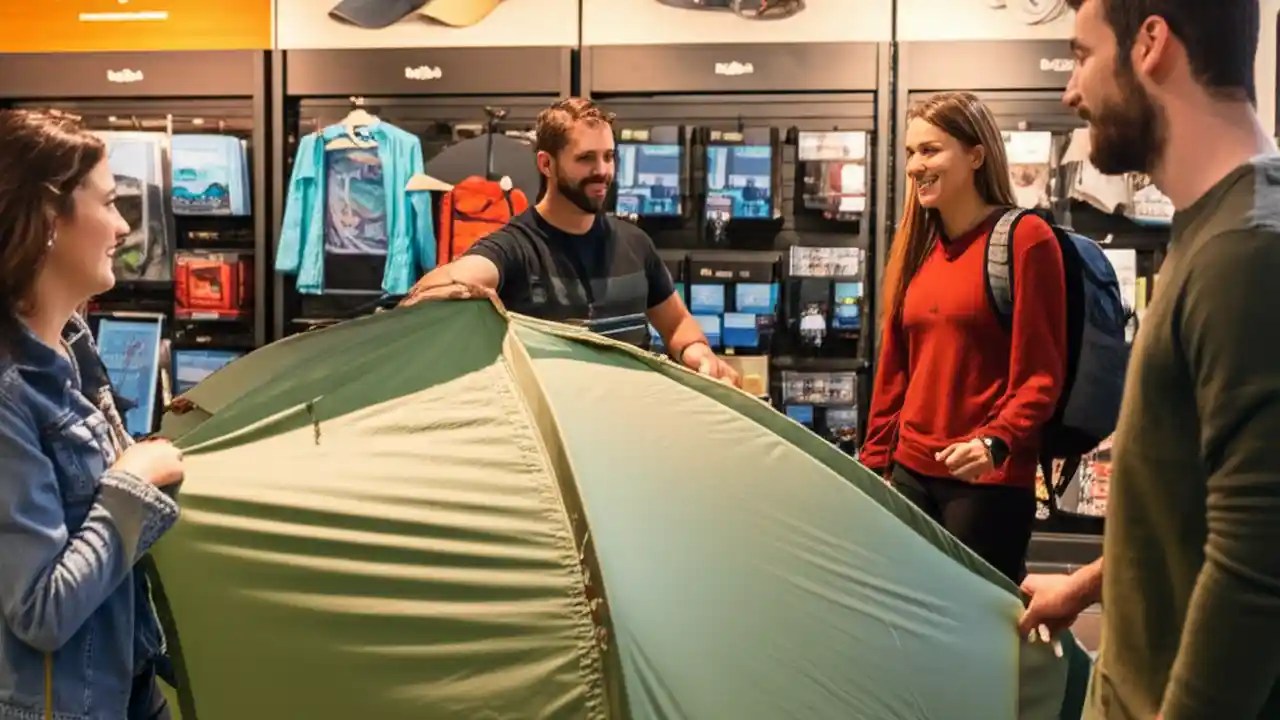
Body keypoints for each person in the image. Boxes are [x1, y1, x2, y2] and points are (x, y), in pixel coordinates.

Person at [1017, 1, 1280, 717]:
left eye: (1081, 56)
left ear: (1152, 43)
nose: (1072, 92)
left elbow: (1257, 565)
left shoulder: (1246, 253)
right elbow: (1194, 499)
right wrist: (1090, 583)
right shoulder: (1221, 230)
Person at [0, 109, 184, 720]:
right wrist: (134, 482)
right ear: (50, 217)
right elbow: (40, 610)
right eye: (108, 203)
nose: (124, 225)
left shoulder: (76, 347)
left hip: (127, 680)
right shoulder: (8, 395)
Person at [859, 91, 1068, 585]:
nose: (915, 165)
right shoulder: (917, 247)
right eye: (910, 153)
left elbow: (1041, 374)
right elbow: (894, 374)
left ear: (976, 155)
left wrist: (997, 441)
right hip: (910, 473)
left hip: (986, 484)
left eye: (930, 150)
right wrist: (870, 466)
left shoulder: (1025, 239)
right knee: (906, 627)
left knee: (974, 640)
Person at [402, 97, 740, 387]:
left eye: (609, 156)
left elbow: (677, 324)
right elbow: (463, 275)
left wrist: (696, 354)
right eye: (586, 158)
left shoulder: (635, 244)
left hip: (632, 426)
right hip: (557, 441)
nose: (602, 170)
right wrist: (442, 290)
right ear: (546, 164)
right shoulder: (516, 248)